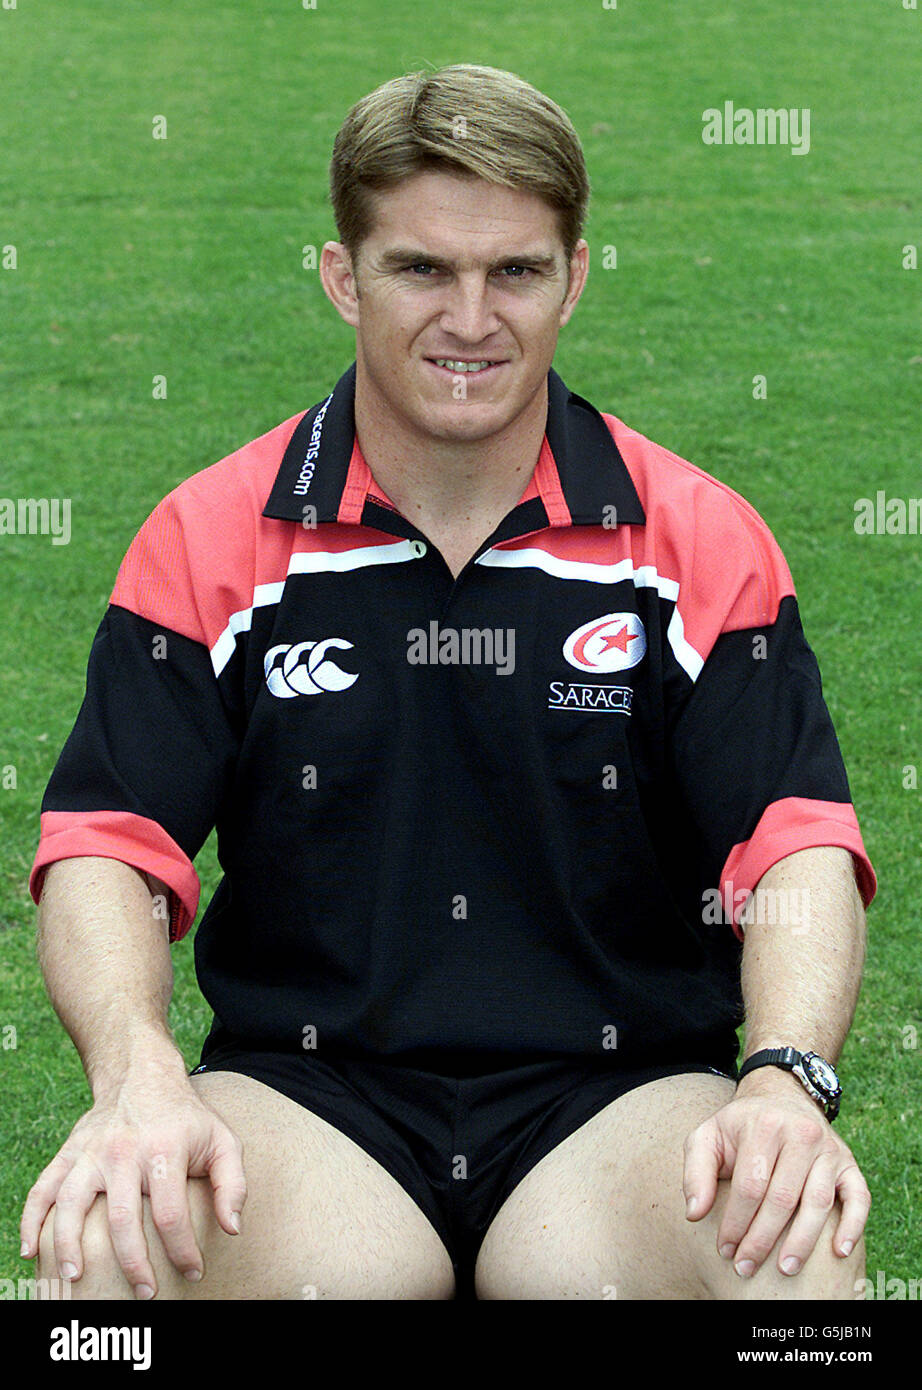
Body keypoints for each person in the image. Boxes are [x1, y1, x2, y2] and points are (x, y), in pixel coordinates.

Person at [21, 64, 875, 1302]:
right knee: (109, 1242)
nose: (470, 318)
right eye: (420, 268)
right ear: (342, 277)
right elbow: (106, 839)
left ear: (574, 279)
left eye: (515, 272)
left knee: (793, 1254)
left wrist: (785, 1076)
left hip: (620, 1104)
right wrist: (135, 1068)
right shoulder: (208, 535)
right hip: (310, 1107)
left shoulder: (695, 537)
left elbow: (791, 839)